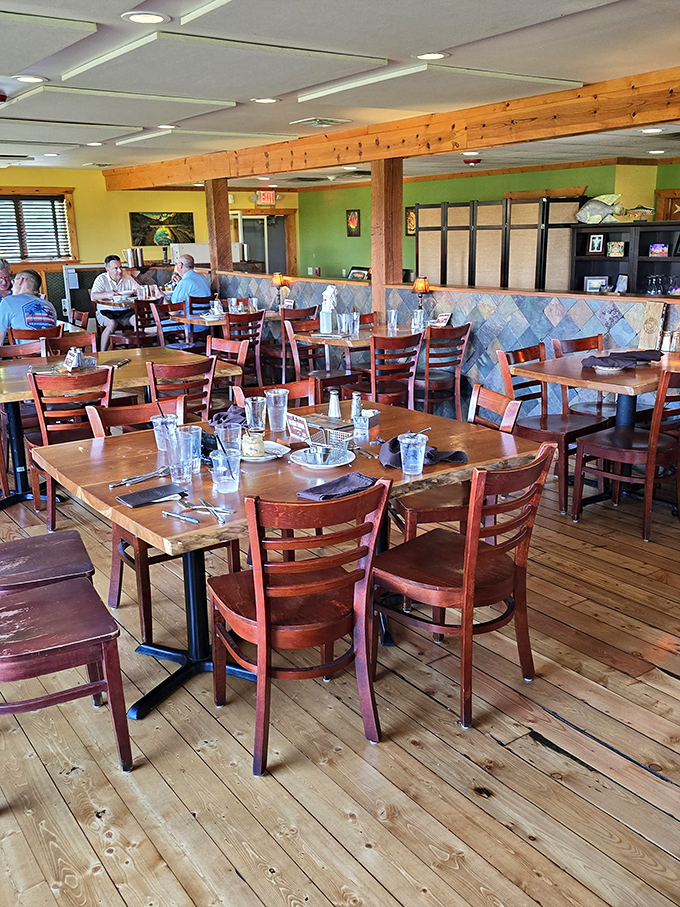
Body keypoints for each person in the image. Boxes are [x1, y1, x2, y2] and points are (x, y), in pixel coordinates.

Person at [91, 254, 141, 351]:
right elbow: (93, 296)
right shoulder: (101, 279)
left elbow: (139, 289)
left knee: (137, 320)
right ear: (107, 269)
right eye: (116, 268)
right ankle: (102, 353)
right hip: (106, 311)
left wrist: (137, 292)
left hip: (125, 312)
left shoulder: (127, 278)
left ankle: (138, 350)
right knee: (112, 323)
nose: (120, 271)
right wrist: (107, 295)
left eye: (121, 267)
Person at [0, 269, 57, 343]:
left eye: (13, 281)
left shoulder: (8, 301)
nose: (12, 287)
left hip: (21, 353)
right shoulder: (50, 306)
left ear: (21, 280)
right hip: (51, 353)